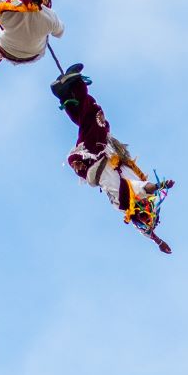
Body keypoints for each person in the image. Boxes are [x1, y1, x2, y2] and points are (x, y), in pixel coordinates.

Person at [49, 63, 172, 246]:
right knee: (88, 121)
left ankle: (75, 83)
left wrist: (162, 185)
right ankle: (64, 93)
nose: (150, 206)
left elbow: (146, 189)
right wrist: (158, 241)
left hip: (94, 156)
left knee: (97, 116)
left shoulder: (131, 196)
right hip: (94, 159)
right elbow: (142, 227)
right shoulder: (123, 205)